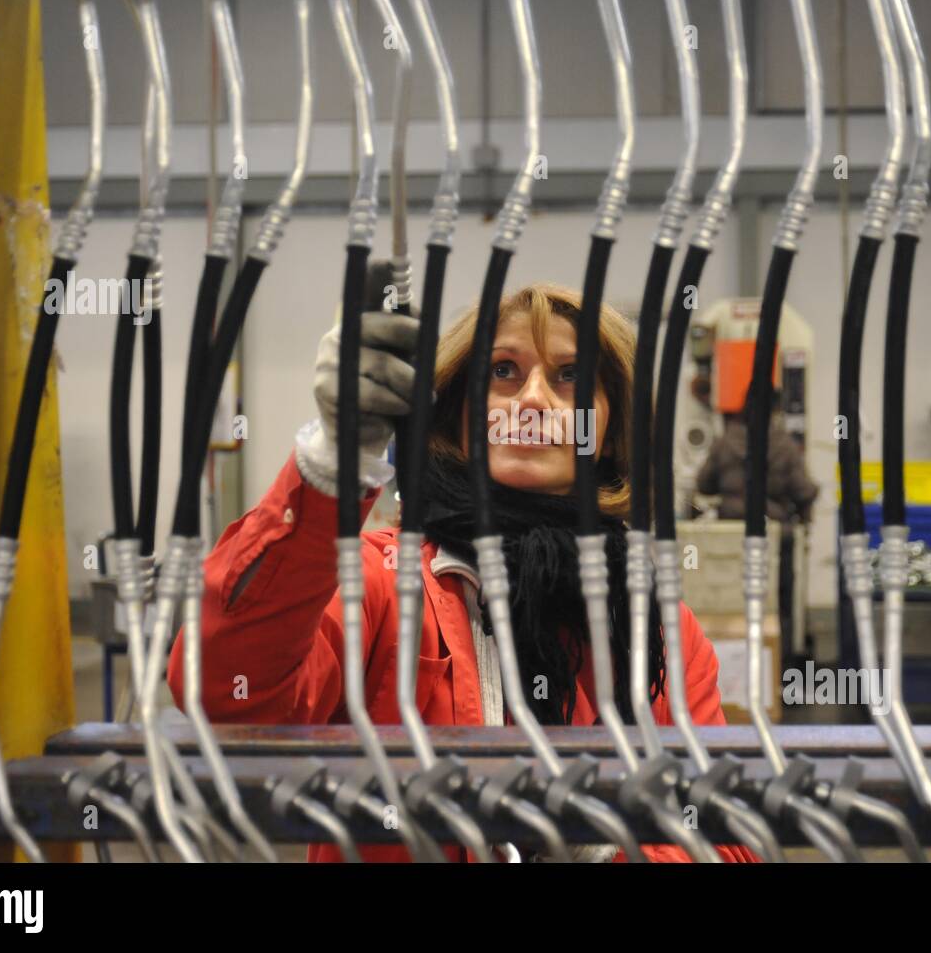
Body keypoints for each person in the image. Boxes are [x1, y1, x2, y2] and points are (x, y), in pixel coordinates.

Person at [167, 280, 756, 863]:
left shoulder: (660, 631)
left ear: (606, 431)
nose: (532, 400)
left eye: (570, 376)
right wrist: (332, 462)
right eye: (502, 371)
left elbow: (724, 838)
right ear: (458, 416)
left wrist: (600, 844)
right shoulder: (382, 578)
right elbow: (234, 694)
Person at [695, 403, 818, 665]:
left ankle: (726, 668)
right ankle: (779, 669)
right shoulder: (783, 445)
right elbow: (804, 491)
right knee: (778, 603)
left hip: (731, 536)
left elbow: (703, 484)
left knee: (728, 601)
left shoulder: (724, 442)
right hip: (774, 537)